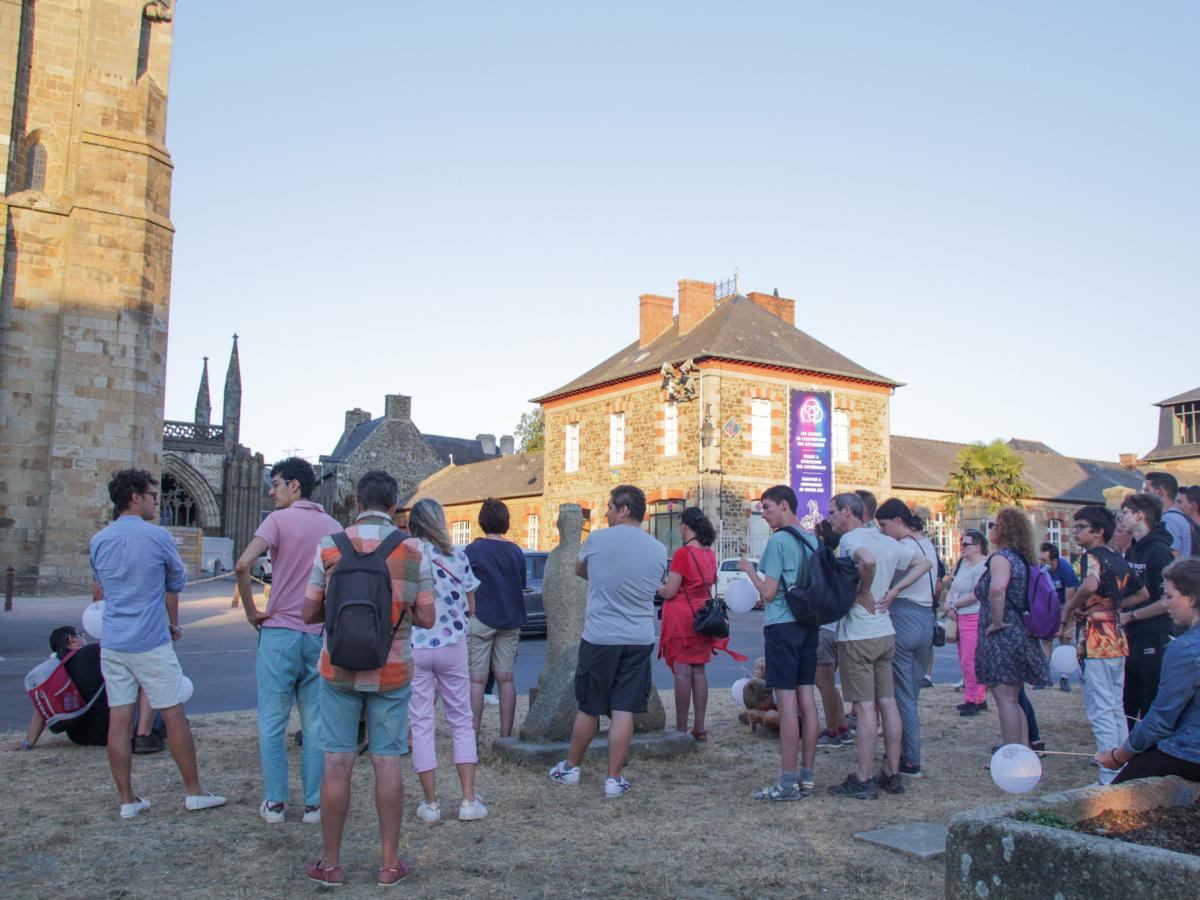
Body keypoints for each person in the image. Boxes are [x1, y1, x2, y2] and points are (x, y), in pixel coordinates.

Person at [300, 470, 436, 887]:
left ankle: (330, 863)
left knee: (337, 761)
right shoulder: (412, 550)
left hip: (338, 668)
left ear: (357, 505)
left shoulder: (330, 546)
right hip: (392, 670)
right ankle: (390, 864)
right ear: (395, 506)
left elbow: (308, 613)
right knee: (387, 760)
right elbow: (427, 617)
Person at [89, 468, 225, 818]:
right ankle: (193, 790)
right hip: (149, 638)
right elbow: (176, 579)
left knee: (119, 719)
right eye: (151, 495)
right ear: (135, 497)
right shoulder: (157, 536)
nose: (156, 501)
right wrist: (172, 623)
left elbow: (100, 584)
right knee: (173, 711)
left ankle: (127, 800)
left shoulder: (99, 540)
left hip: (113, 639)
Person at [235, 456, 340, 826]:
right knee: (314, 724)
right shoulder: (332, 526)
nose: (271, 490)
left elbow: (243, 564)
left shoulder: (277, 520)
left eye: (276, 483)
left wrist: (251, 610)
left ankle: (276, 803)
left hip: (278, 631)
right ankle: (313, 804)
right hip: (316, 634)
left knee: (272, 720)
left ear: (295, 485)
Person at [548, 485, 666, 799]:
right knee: (624, 707)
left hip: (601, 635)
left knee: (589, 707)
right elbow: (655, 585)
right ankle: (614, 778)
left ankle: (572, 767)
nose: (606, 513)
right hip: (639, 637)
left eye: (610, 507)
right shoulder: (658, 549)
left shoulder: (597, 540)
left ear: (624, 509)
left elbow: (579, 569)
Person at [827, 492, 932, 799]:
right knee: (888, 702)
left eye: (834, 512)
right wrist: (895, 589)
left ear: (849, 512)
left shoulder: (850, 540)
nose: (830, 517)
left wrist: (864, 588)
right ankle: (892, 772)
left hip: (858, 633)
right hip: (885, 631)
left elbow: (867, 560)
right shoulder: (889, 541)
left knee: (864, 706)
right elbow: (924, 562)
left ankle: (862, 779)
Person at [406, 498, 487, 824]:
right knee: (461, 720)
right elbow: (472, 605)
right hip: (453, 643)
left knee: (422, 722)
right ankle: (468, 799)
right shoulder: (458, 557)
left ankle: (431, 803)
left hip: (417, 645)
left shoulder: (408, 556)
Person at [738, 485, 821, 801]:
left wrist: (748, 571)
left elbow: (768, 593)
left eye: (767, 507)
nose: (764, 514)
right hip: (808, 625)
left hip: (782, 625)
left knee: (787, 706)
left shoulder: (779, 541)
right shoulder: (812, 540)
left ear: (784, 505)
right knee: (807, 701)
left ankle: (787, 783)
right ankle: (807, 778)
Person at [1058, 505, 1146, 784]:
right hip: (1117, 639)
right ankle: (1122, 767)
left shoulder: (1091, 557)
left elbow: (1089, 584)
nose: (1075, 533)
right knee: (1116, 707)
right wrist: (1113, 608)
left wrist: (1071, 608)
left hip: (1095, 640)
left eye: (1080, 527)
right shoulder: (1118, 558)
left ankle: (1109, 774)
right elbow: (1142, 592)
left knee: (1100, 709)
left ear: (1098, 532)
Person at [1098, 559, 1200, 783]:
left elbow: (1161, 719)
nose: (1165, 604)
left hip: (1190, 752)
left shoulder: (1185, 648)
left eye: (1170, 596)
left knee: (1113, 798)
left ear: (1191, 599)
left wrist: (1119, 755)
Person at [658, 507, 744, 741]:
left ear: (685, 525)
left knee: (683, 673)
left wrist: (657, 586)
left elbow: (670, 591)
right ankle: (700, 727)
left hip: (682, 618)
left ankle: (680, 729)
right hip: (703, 617)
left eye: (678, 524)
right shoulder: (709, 554)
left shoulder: (682, 554)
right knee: (699, 672)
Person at [8, 626, 163, 752]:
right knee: (152, 697)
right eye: (80, 634)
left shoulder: (53, 671)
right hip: (110, 730)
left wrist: (28, 743)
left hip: (78, 735)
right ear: (72, 639)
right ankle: (146, 735)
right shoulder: (94, 652)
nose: (84, 637)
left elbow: (42, 709)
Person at [974, 508, 1051, 752]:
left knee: (1005, 699)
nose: (990, 530)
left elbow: (997, 590)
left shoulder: (1001, 558)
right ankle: (1023, 751)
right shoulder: (1023, 559)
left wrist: (996, 622)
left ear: (1003, 529)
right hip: (1020, 632)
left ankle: (1011, 753)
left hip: (1003, 635)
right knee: (1014, 698)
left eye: (992, 525)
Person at [873, 498, 938, 777]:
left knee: (901, 695)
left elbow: (886, 575)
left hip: (904, 616)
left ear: (898, 521)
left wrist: (895, 590)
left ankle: (908, 758)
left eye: (885, 525)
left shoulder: (904, 547)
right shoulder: (928, 544)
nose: (883, 531)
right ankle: (906, 753)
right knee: (911, 693)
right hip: (927, 619)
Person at [465, 498, 526, 740]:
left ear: (482, 522)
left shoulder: (474, 550)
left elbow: (466, 583)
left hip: (482, 616)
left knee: (477, 681)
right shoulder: (515, 550)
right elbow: (520, 584)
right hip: (510, 619)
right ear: (506, 522)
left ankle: (472, 738)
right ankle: (505, 737)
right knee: (506, 678)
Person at [1119, 493, 1177, 730]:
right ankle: (1127, 745)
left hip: (1153, 632)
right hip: (1132, 632)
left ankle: (1148, 750)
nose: (1121, 518)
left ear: (1140, 515)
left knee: (1149, 694)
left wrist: (1131, 615)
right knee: (1128, 696)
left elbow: (1166, 601)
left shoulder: (1159, 551)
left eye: (1125, 513)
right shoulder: (1133, 549)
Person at [813, 520, 851, 748]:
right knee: (829, 683)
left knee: (823, 682)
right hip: (838, 627)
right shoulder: (840, 561)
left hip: (825, 628)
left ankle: (832, 731)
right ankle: (842, 726)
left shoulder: (823, 562)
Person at [945, 529, 988, 716]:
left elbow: (977, 593)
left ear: (978, 547)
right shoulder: (963, 564)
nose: (962, 547)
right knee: (964, 659)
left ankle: (977, 698)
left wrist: (955, 604)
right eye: (962, 543)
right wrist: (948, 605)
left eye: (966, 544)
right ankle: (970, 696)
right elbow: (953, 586)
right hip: (960, 615)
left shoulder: (984, 566)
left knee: (971, 660)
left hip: (974, 615)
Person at [1037, 542, 1080, 691]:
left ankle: (1064, 677)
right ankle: (1043, 676)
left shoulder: (1066, 570)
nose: (1041, 563)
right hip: (1049, 606)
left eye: (1044, 560)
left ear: (1054, 561)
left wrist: (1062, 624)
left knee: (1064, 640)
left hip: (1066, 605)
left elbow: (1069, 601)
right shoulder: (1041, 571)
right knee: (1046, 640)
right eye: (1040, 560)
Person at [1144, 471, 1192, 558]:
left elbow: (1172, 558)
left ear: (1160, 491)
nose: (1143, 495)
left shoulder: (1169, 520)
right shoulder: (1177, 516)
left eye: (1147, 490)